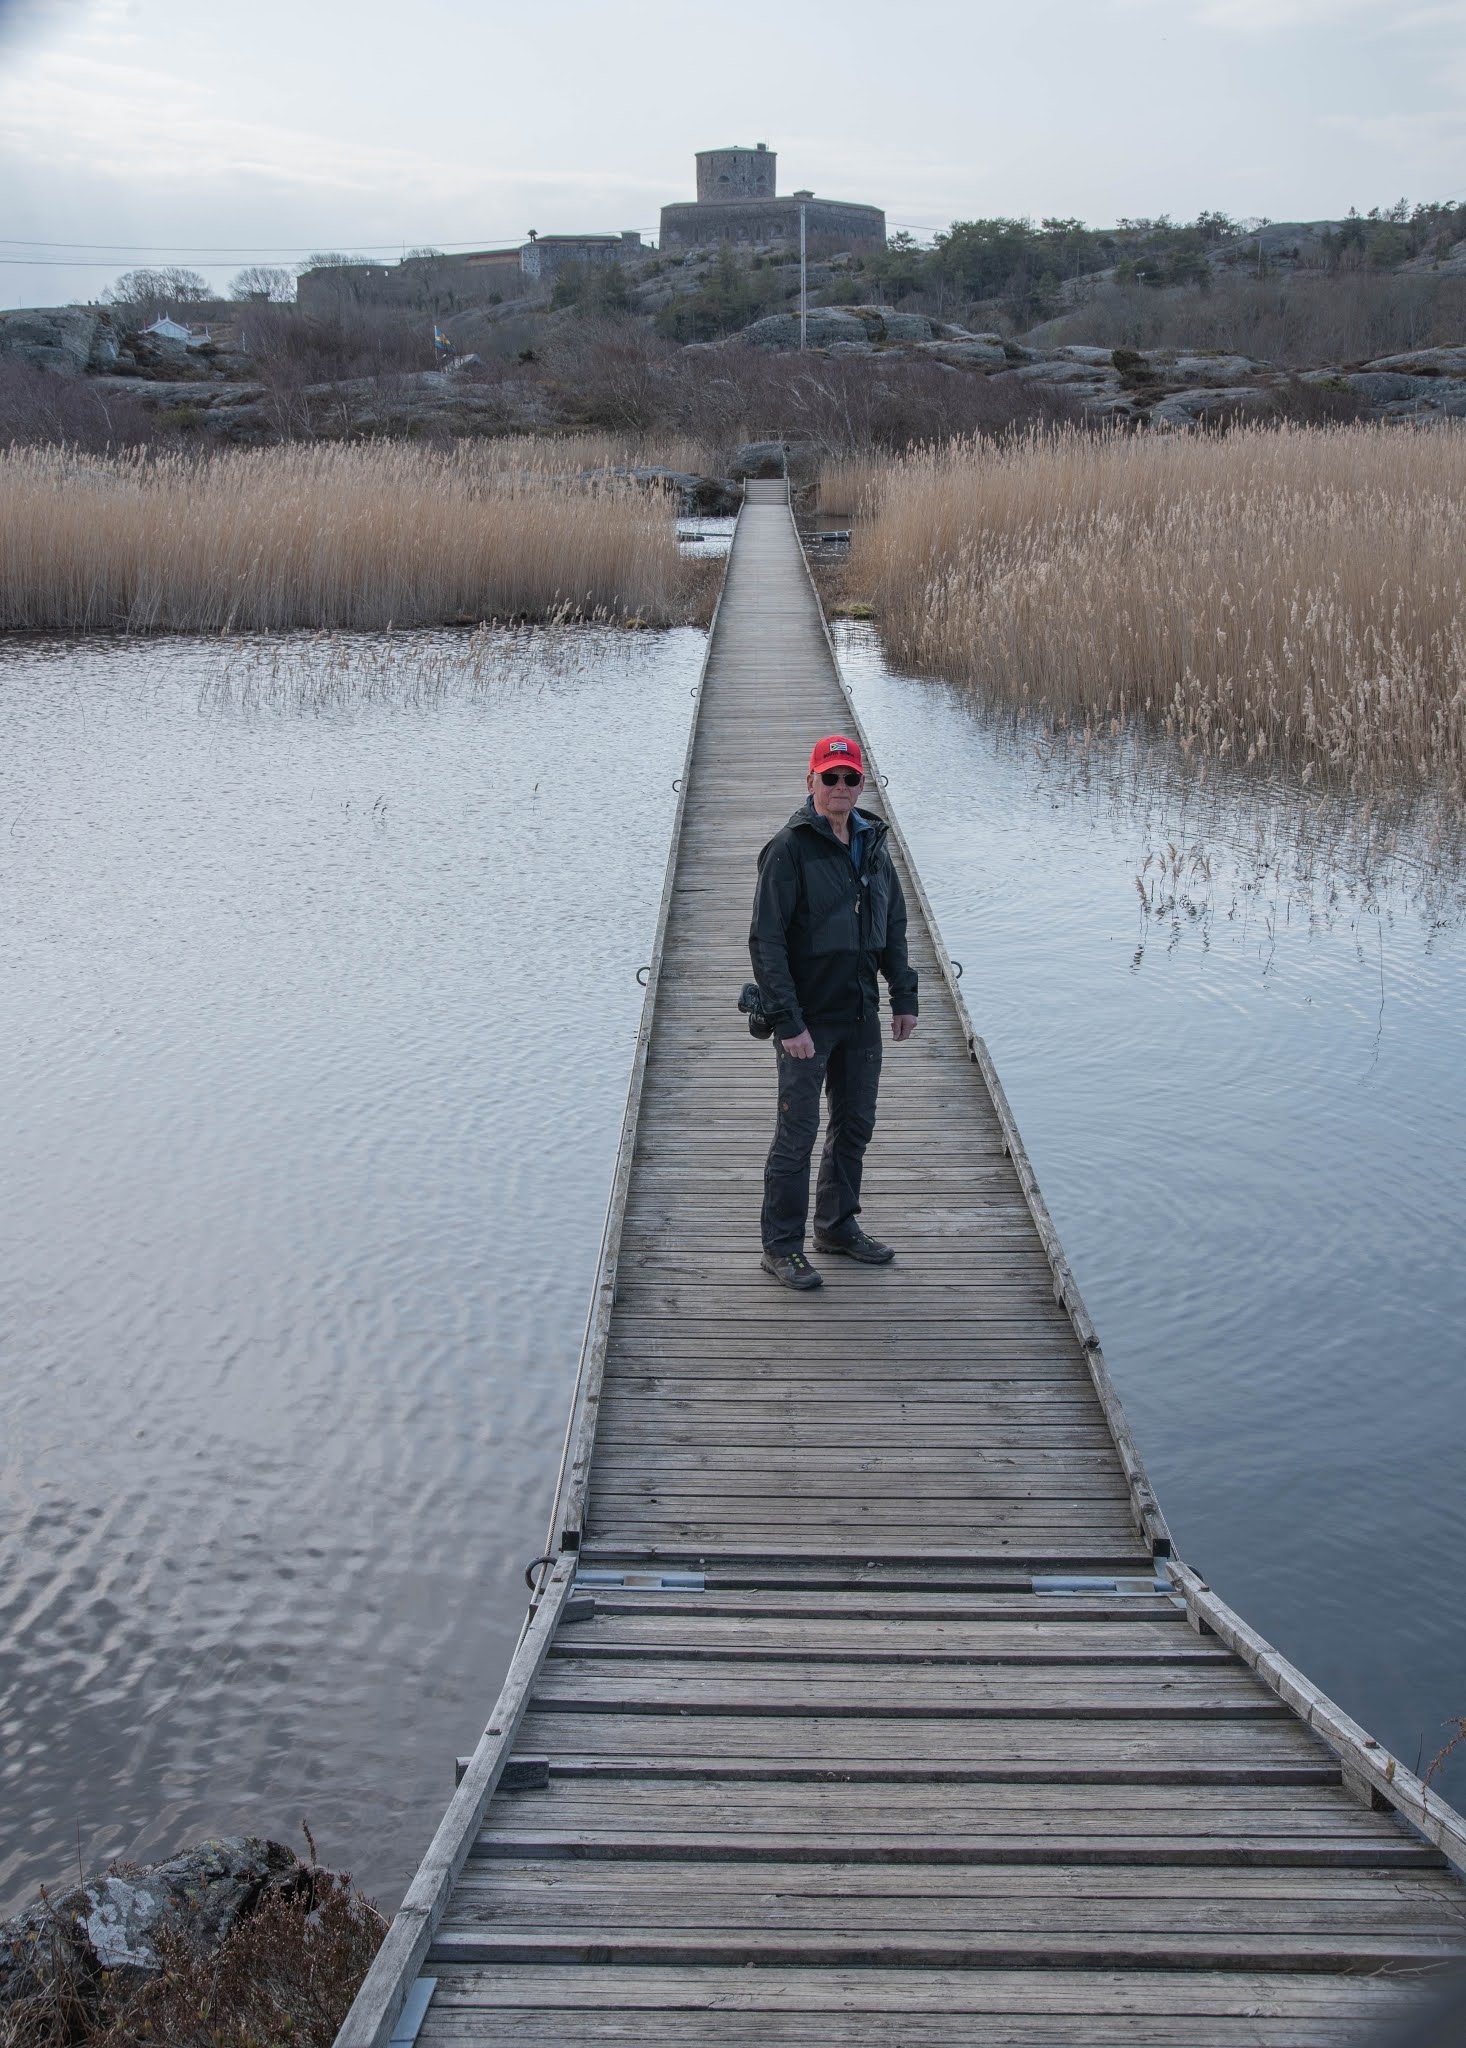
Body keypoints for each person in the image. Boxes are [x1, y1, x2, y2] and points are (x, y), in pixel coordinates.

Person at [748, 734, 918, 1290]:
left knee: (855, 1125)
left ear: (861, 783)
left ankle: (838, 1227)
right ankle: (781, 1247)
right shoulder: (788, 848)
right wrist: (789, 1021)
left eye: (850, 778)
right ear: (811, 781)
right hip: (808, 1015)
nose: (841, 788)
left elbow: (891, 922)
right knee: (797, 1133)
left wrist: (904, 994)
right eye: (830, 777)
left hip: (860, 1009)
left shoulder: (871, 842)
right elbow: (766, 942)